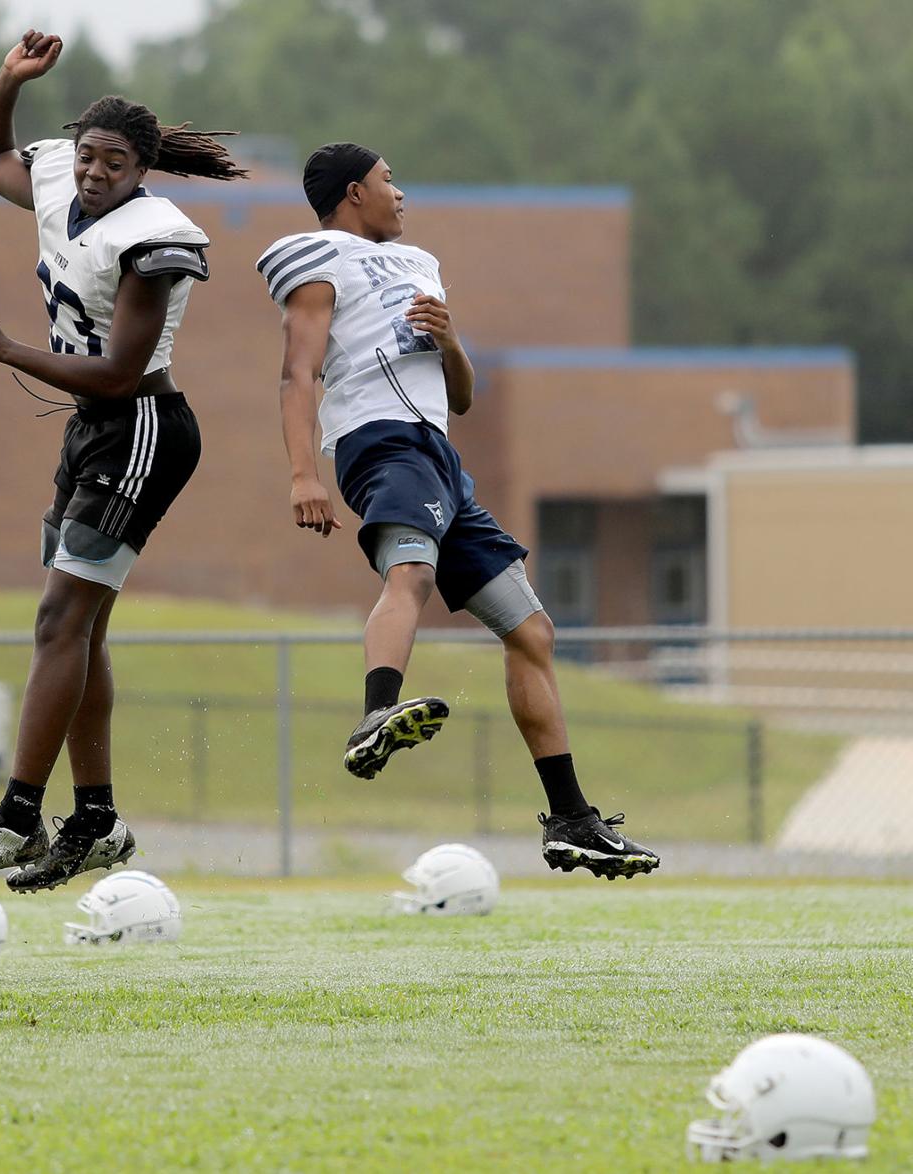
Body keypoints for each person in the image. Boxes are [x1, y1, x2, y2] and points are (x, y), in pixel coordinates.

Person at [256, 143, 659, 880]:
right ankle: (377, 710)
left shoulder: (421, 265)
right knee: (409, 571)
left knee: (532, 629)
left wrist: (449, 340)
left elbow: (464, 395)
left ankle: (571, 818)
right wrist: (300, 474)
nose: (401, 194)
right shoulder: (313, 255)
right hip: (379, 443)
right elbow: (297, 371)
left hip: (439, 455)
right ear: (353, 193)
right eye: (388, 181)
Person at [0, 29, 246, 892]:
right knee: (79, 625)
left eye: (116, 161)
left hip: (141, 424)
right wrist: (8, 78)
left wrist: (5, 348)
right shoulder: (61, 173)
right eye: (90, 154)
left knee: (59, 620)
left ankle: (19, 816)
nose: (96, 172)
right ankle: (95, 817)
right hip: (93, 430)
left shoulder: (155, 236)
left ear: (142, 170)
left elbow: (119, 371)